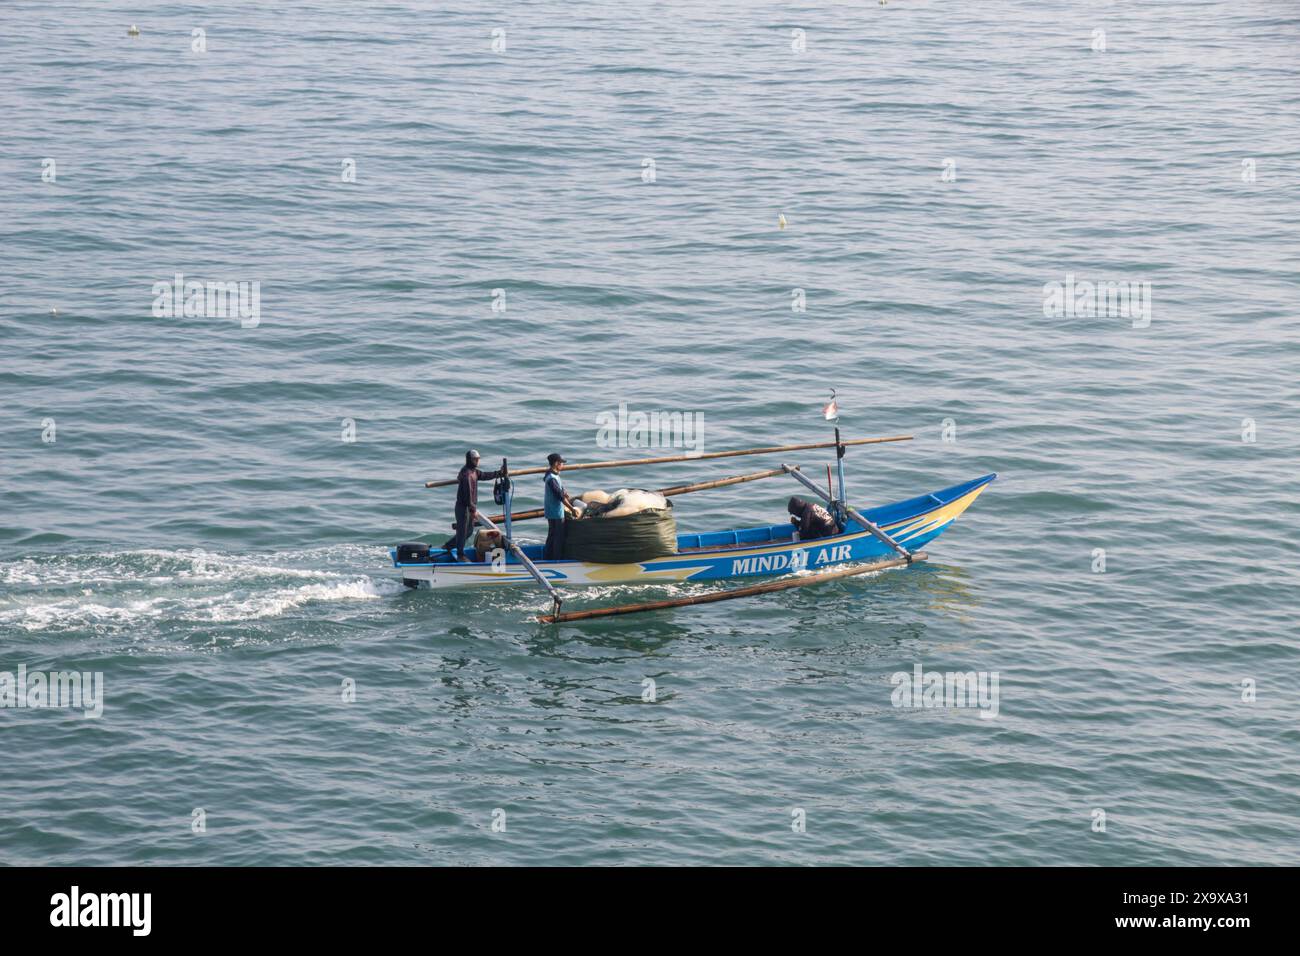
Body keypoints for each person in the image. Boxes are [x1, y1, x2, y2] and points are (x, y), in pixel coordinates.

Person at [452, 449, 505, 562]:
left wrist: (498, 473)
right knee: (462, 531)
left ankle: (448, 545)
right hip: (464, 507)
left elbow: (484, 475)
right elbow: (468, 495)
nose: (477, 461)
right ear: (469, 460)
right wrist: (473, 510)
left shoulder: (474, 472)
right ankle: (460, 554)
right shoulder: (467, 474)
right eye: (475, 459)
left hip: (469, 507)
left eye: (478, 459)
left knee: (469, 531)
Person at [542, 453, 575, 560]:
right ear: (556, 464)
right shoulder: (552, 478)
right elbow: (560, 497)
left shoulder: (550, 475)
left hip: (550, 511)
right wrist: (572, 509)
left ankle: (547, 557)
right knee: (558, 537)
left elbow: (557, 490)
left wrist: (563, 490)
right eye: (561, 463)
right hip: (556, 512)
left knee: (551, 535)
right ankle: (557, 559)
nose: (563, 465)